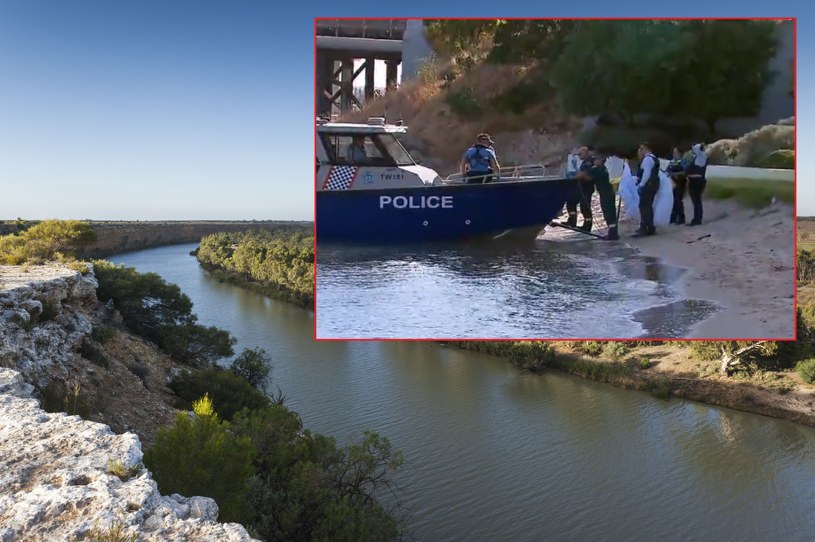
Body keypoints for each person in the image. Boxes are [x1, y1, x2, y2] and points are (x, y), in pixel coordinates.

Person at [632, 142, 660, 237]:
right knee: (647, 206)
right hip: (652, 185)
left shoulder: (648, 159)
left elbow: (646, 174)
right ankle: (649, 227)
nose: (640, 150)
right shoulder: (653, 158)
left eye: (642, 148)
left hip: (648, 185)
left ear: (647, 149)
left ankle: (645, 227)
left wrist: (641, 185)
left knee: (644, 206)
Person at [589, 154, 619, 240]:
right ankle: (613, 232)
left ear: (601, 160)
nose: (594, 161)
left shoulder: (597, 169)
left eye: (596, 159)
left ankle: (613, 234)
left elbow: (586, 177)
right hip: (608, 193)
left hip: (605, 193)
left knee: (608, 213)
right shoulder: (603, 168)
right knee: (611, 212)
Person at [565, 146, 595, 230]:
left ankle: (587, 225)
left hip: (587, 188)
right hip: (581, 187)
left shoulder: (589, 162)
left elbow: (583, 175)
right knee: (571, 202)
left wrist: (572, 177)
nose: (579, 156)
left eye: (580, 154)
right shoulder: (584, 162)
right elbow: (580, 173)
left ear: (586, 153)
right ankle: (572, 221)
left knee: (585, 207)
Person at [685, 143, 708, 226]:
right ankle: (696, 219)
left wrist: (689, 174)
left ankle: (697, 219)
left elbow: (699, 173)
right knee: (696, 202)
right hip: (694, 182)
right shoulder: (698, 157)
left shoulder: (701, 158)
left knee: (697, 201)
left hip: (697, 182)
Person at [666, 147, 688, 225]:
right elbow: (667, 170)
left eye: (676, 152)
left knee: (678, 200)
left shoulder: (683, 161)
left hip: (681, 183)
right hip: (673, 183)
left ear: (679, 153)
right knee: (673, 201)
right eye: (673, 152)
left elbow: (685, 171)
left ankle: (681, 218)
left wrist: (675, 174)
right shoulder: (672, 162)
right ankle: (673, 218)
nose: (674, 154)